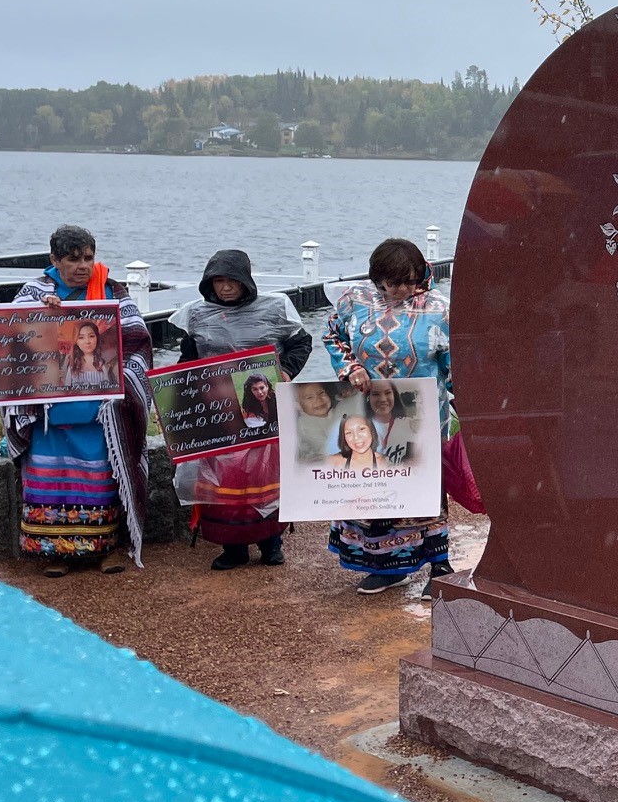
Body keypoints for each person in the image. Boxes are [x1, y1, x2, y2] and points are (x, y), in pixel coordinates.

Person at [2, 225, 153, 576]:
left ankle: (109, 547)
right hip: (51, 414)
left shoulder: (112, 290)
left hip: (99, 412)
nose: (83, 265)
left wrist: (124, 382)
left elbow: (137, 338)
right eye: (73, 259)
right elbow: (11, 335)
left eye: (88, 257)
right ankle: (55, 552)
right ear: (54, 260)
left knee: (102, 478)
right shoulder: (35, 292)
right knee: (52, 478)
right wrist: (44, 316)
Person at [323, 238, 452, 596]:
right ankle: (385, 566)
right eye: (393, 282)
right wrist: (349, 367)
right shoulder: (354, 302)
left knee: (423, 486)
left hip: (420, 415)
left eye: (410, 281)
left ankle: (438, 565)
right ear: (378, 277)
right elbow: (331, 334)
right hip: (368, 411)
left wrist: (466, 402)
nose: (402, 289)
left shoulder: (440, 309)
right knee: (374, 485)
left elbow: (454, 359)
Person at [168, 249, 312, 571]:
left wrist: (286, 371)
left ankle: (271, 543)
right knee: (223, 483)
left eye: (232, 281)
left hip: (263, 408)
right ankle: (233, 548)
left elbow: (302, 343)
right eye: (219, 281)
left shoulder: (275, 310)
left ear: (246, 281)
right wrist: (174, 396)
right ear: (209, 283)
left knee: (265, 479)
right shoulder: (197, 315)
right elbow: (188, 361)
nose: (226, 288)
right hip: (218, 412)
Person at [64, 319, 115, 392]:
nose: (87, 341)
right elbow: (66, 392)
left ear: (97, 338)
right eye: (81, 337)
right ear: (76, 341)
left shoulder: (105, 364)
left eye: (91, 336)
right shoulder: (72, 365)